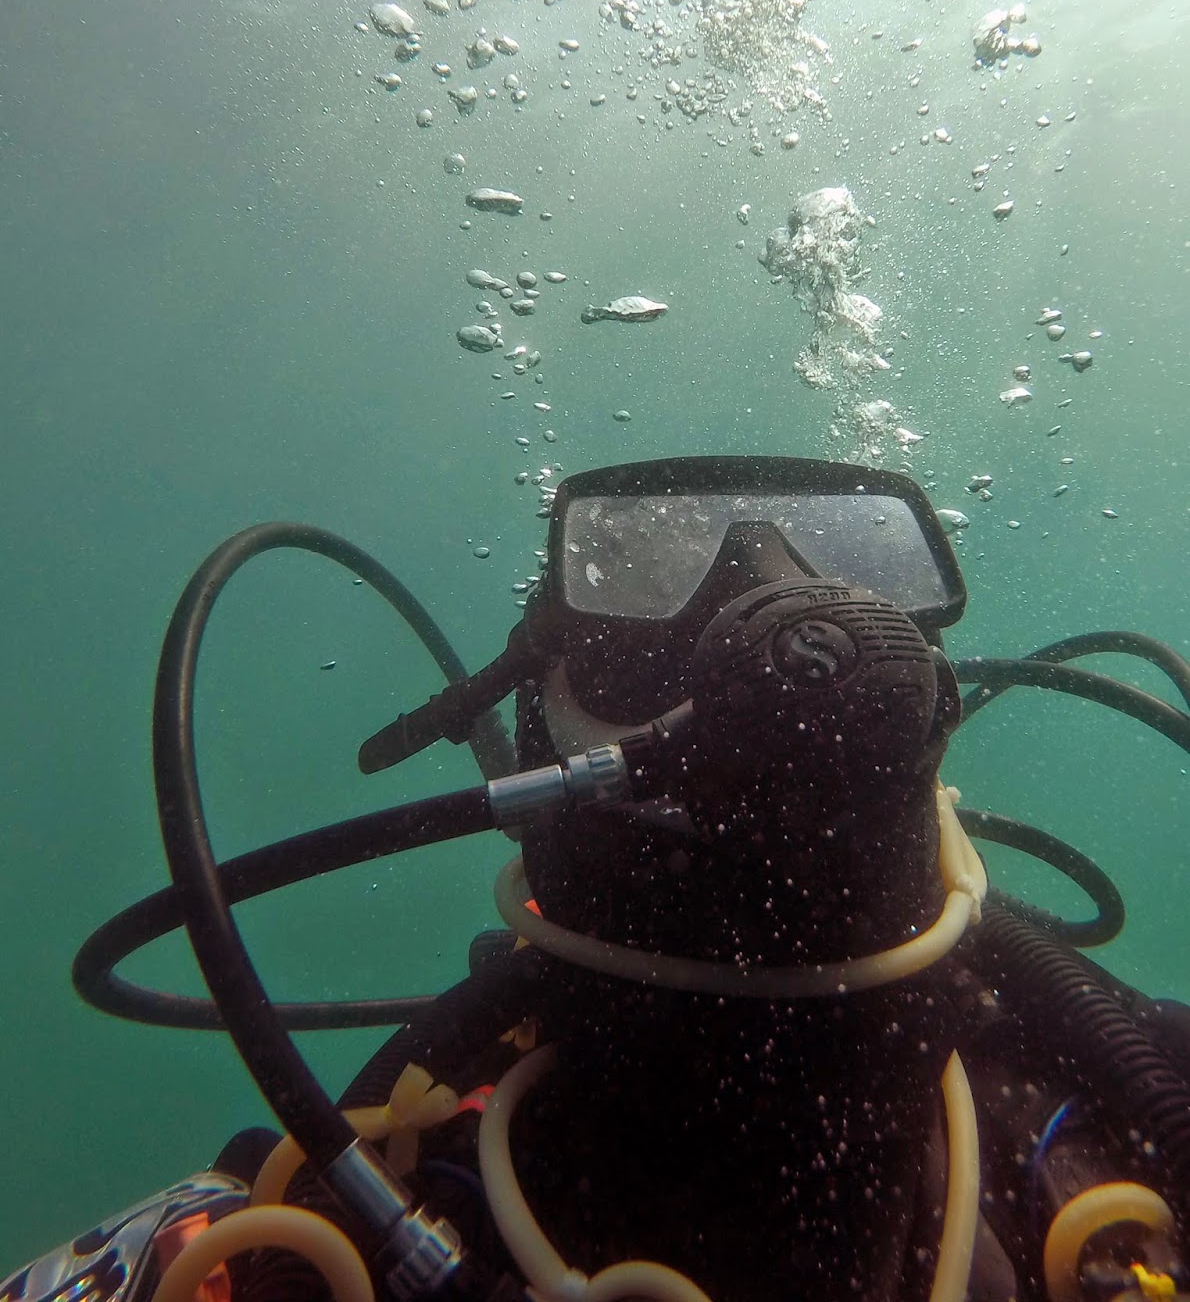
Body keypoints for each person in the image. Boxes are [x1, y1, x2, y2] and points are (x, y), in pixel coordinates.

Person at [11, 456, 1190, 1302]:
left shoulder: (1146, 1100)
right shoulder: (290, 1229)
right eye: (636, 600)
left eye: (854, 580)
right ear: (534, 732)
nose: (775, 635)